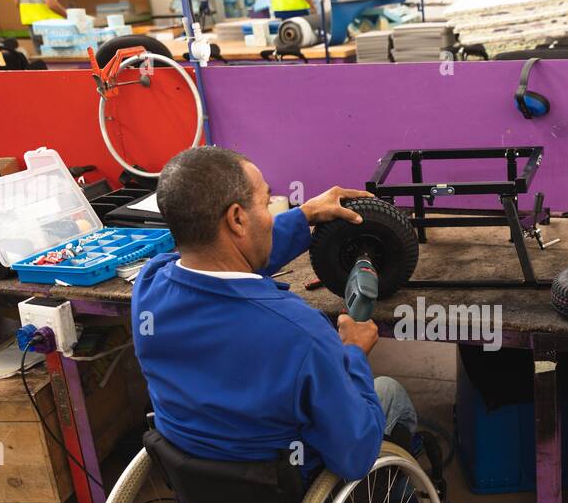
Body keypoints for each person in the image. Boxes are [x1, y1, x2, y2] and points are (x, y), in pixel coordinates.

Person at [132, 146, 417, 483]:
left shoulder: (148, 285)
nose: (271, 214)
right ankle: (393, 502)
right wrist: (353, 352)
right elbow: (355, 455)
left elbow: (228, 259)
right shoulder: (302, 333)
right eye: (266, 204)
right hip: (288, 492)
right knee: (389, 393)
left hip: (199, 486)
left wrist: (305, 216)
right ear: (238, 219)